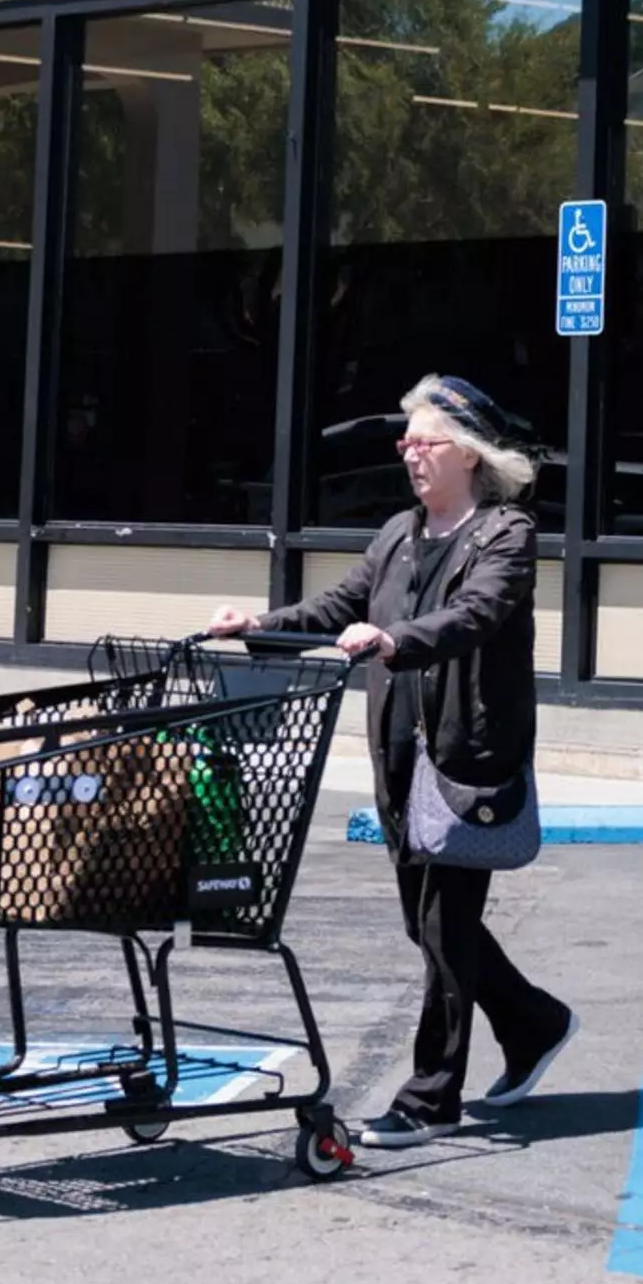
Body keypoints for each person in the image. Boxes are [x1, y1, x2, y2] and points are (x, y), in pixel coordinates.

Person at [207, 374, 574, 1147]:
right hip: (399, 755)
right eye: (405, 440)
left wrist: (394, 641)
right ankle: (534, 1022)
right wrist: (257, 624)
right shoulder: (399, 534)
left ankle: (430, 1097)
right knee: (429, 923)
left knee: (444, 927)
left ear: (468, 454)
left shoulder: (505, 534)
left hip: (465, 760)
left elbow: (474, 615)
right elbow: (338, 606)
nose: (410, 453)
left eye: (425, 440)